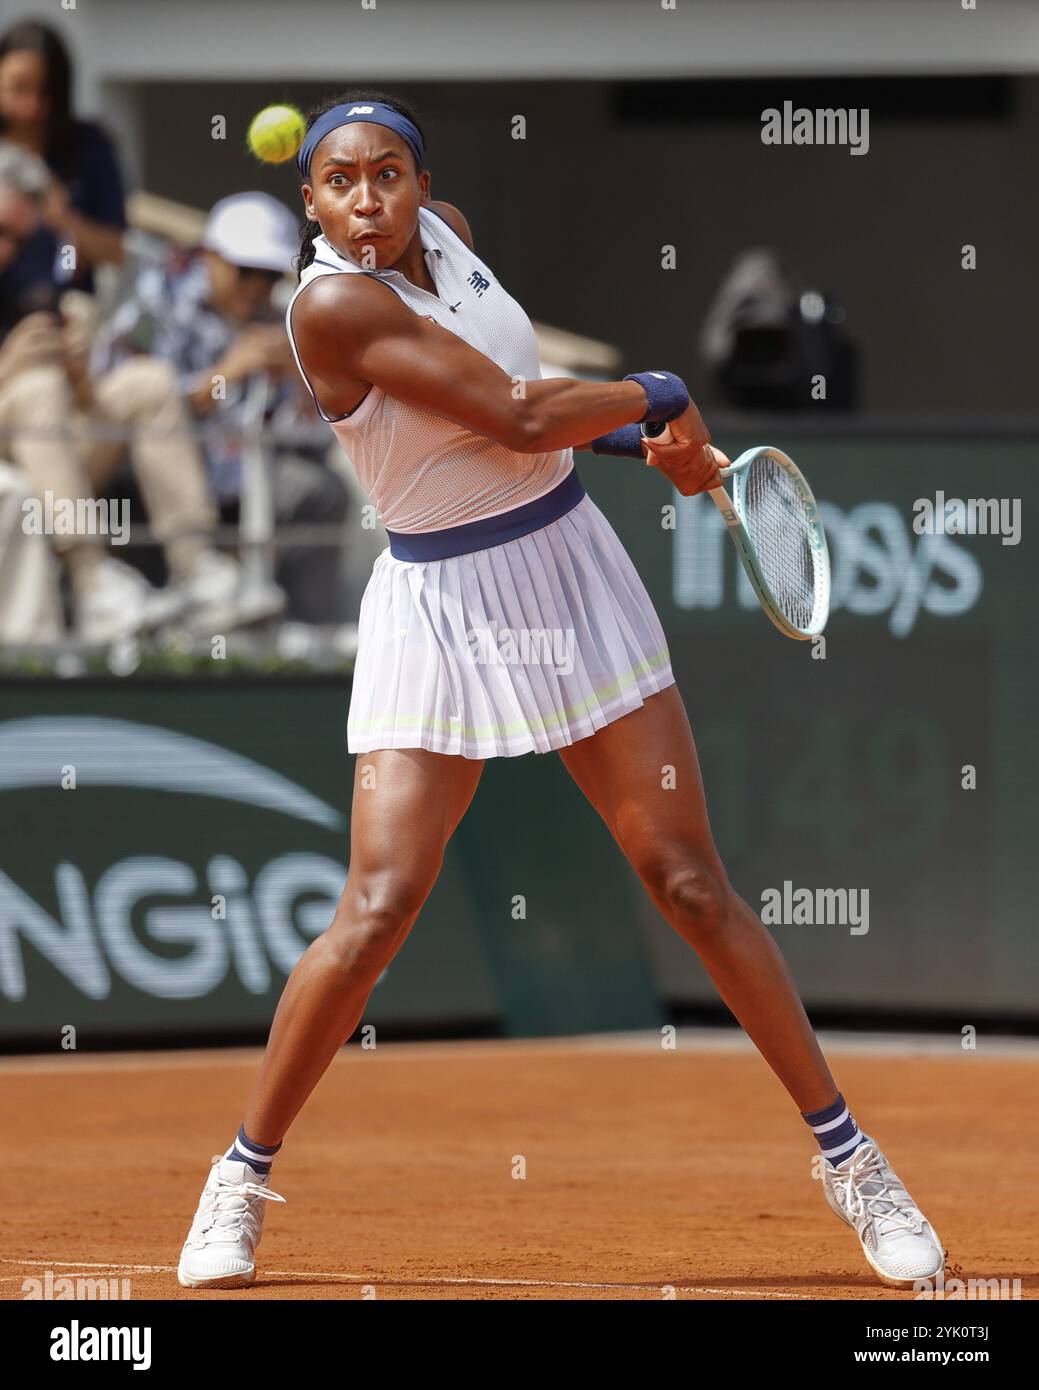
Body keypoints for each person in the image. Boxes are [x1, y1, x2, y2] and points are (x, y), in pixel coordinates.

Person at [176, 91, 944, 1293]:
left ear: (423, 184)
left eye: (389, 173)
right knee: (377, 904)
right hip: (437, 610)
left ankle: (852, 1162)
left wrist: (642, 447)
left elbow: (525, 437)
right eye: (340, 181)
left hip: (571, 577)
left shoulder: (455, 239)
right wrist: (659, 395)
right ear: (310, 201)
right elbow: (518, 408)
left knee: (689, 882)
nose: (368, 199)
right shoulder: (328, 304)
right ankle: (239, 1174)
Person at [0, 141, 258, 642]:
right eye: (1, 231)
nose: (8, 249)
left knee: (149, 381)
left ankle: (196, 567)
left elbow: (73, 400)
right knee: (35, 388)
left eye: (20, 236)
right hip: (20, 430)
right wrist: (11, 365)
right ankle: (93, 581)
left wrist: (77, 370)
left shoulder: (29, 269)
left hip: (45, 441)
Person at [95, 192, 349, 626]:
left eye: (268, 276)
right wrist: (226, 374)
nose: (255, 287)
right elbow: (125, 407)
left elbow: (314, 440)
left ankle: (306, 633)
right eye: (245, 271)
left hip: (245, 479)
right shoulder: (159, 302)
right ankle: (157, 611)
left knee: (321, 490)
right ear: (211, 257)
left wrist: (303, 382)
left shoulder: (282, 320)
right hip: (154, 476)